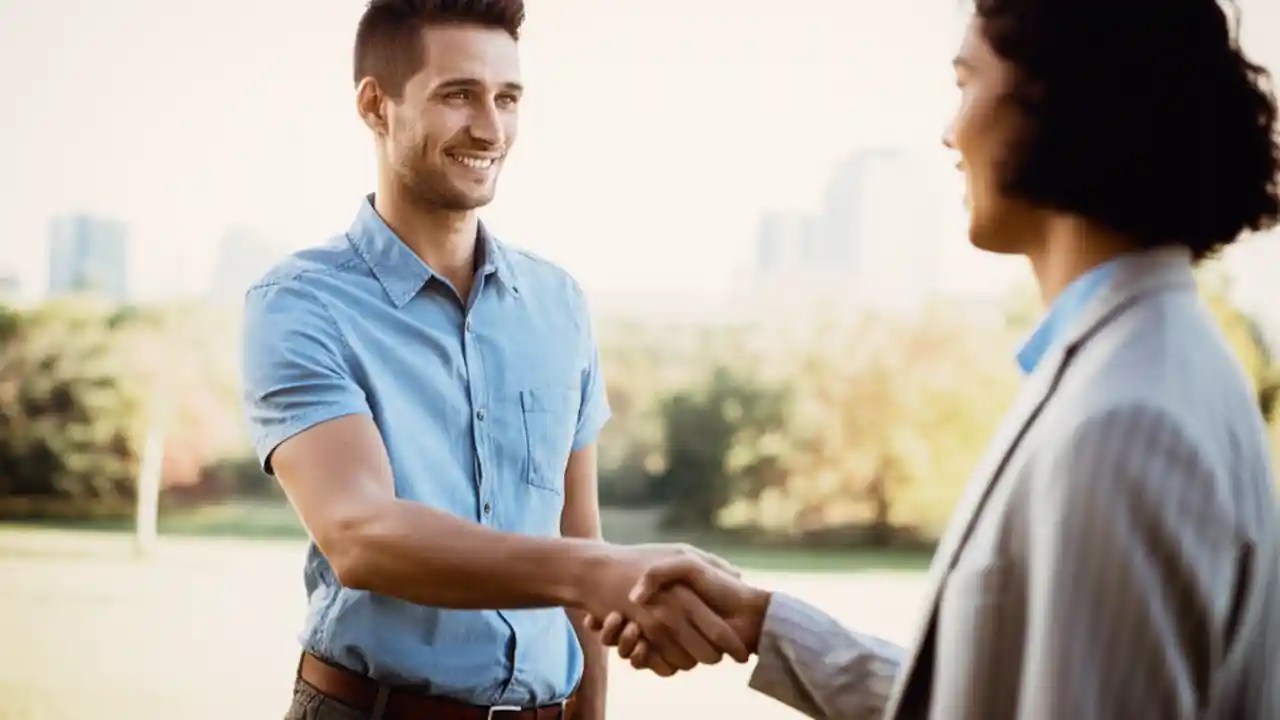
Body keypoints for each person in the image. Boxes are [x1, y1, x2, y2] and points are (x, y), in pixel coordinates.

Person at [591, 0, 1280, 717]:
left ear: (1058, 100)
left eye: (964, 83)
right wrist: (767, 626)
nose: (950, 133)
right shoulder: (1144, 363)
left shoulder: (1126, 417)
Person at [241, 2, 747, 718]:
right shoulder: (299, 302)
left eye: (508, 98)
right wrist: (594, 572)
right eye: (458, 95)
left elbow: (579, 535)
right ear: (374, 106)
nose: (491, 128)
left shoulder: (558, 303)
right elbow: (361, 535)